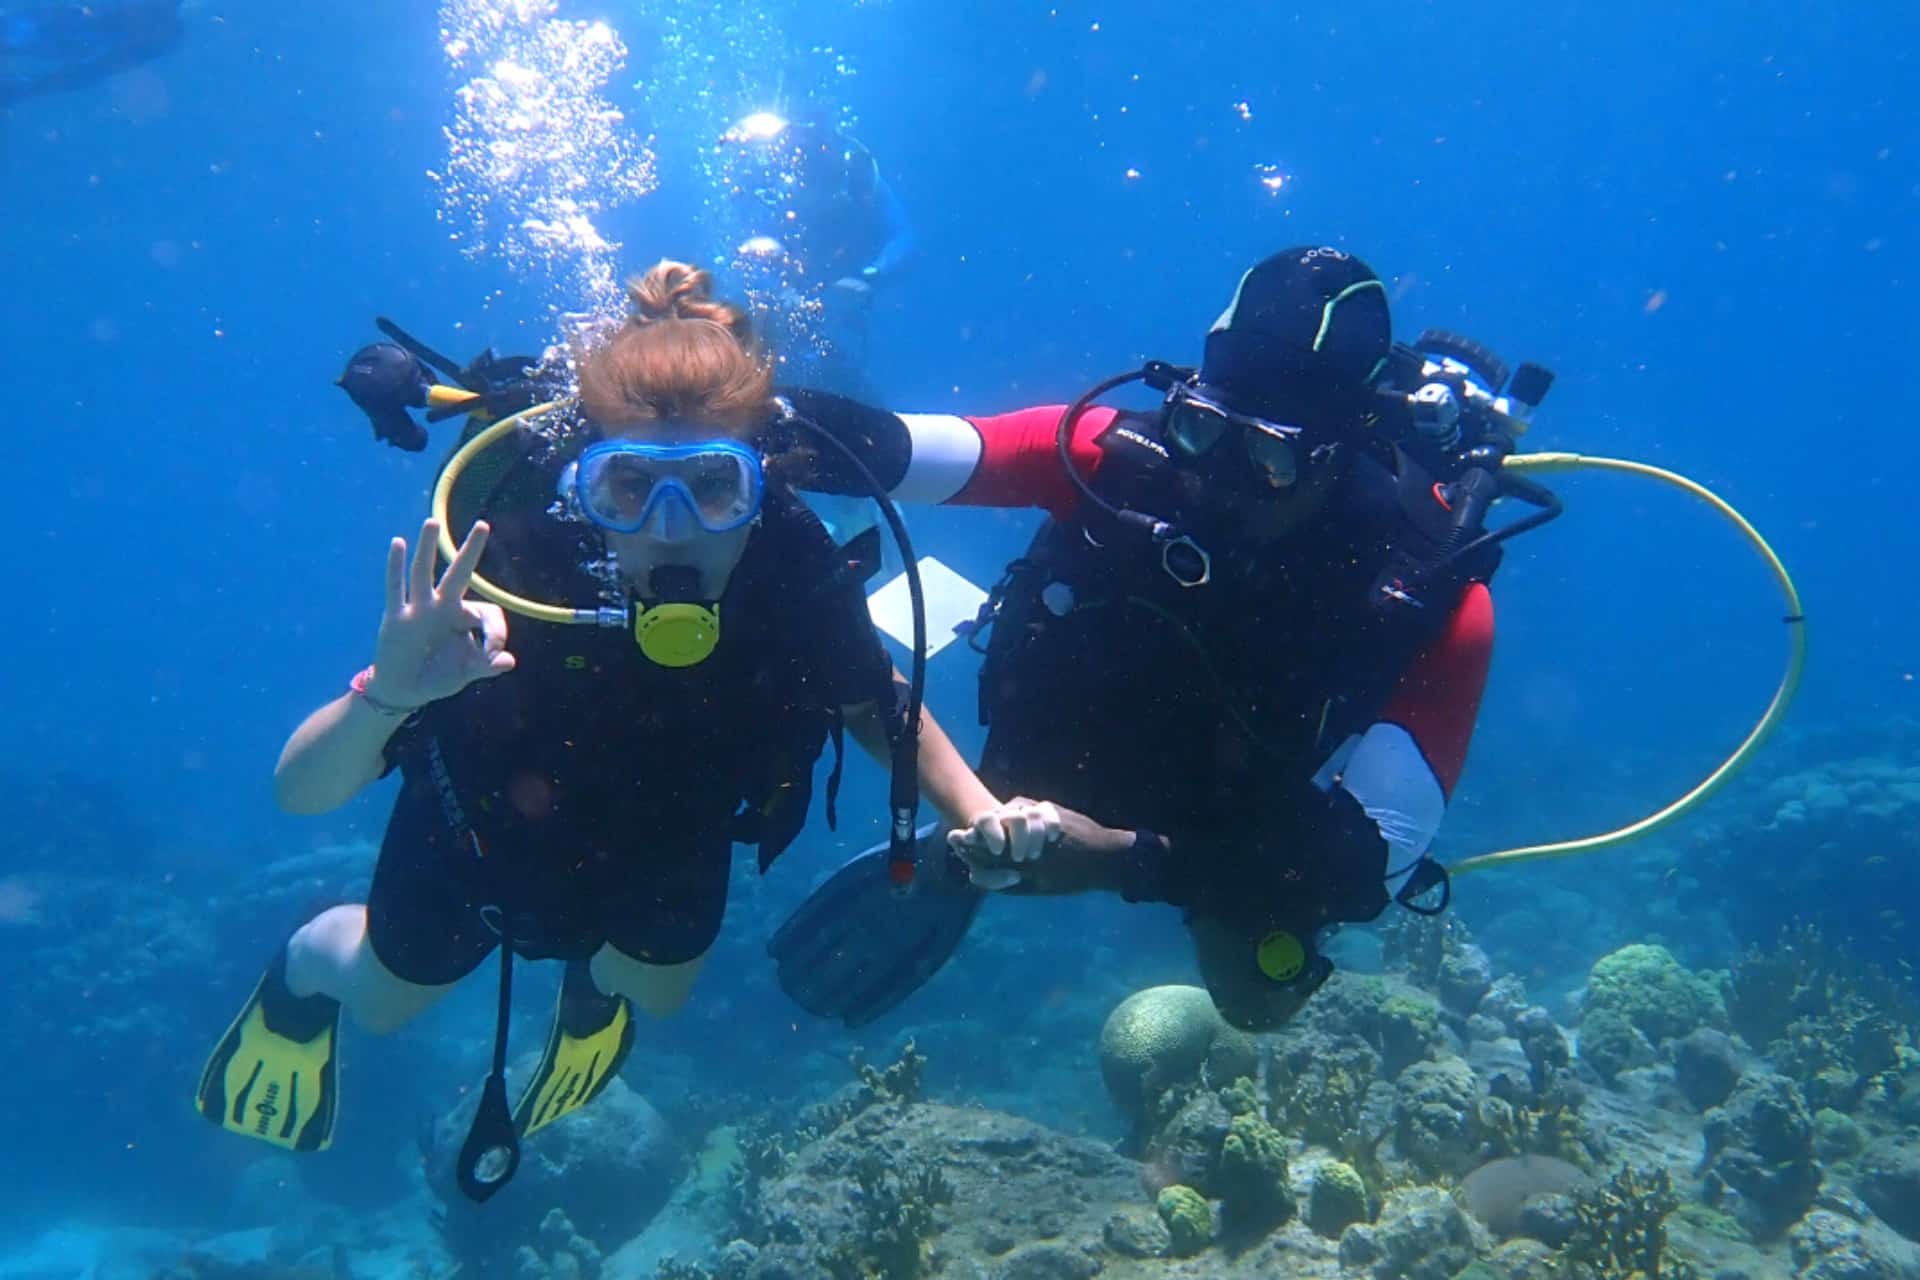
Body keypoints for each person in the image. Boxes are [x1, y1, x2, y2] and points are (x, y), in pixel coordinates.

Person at [196, 261, 1051, 1160]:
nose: (671, 526)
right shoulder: (511, 564)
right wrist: (391, 696)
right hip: (481, 831)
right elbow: (299, 791)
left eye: (715, 487)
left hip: (667, 828)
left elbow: (878, 705)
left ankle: (591, 988)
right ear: (581, 487)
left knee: (661, 992)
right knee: (382, 1003)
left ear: (760, 482)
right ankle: (301, 974)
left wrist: (982, 811)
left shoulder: (788, 559)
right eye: (629, 488)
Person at [769, 247, 1531, 1031]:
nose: (1219, 475)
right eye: (1204, 429)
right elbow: (888, 449)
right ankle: (971, 841)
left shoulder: (1430, 593)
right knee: (1014, 845)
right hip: (1068, 741)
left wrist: (1118, 860)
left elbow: (1369, 865)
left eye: (1270, 453)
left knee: (1254, 999)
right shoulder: (1119, 452)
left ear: (1340, 458)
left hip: (1241, 811)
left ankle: (1028, 849)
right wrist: (724, 423)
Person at [715, 111, 916, 397]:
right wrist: (779, 291)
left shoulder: (861, 182)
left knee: (840, 378)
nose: (821, 203)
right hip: (784, 304)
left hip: (840, 303)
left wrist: (870, 275)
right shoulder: (774, 192)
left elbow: (903, 237)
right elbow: (747, 255)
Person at [0, 0, 183, 106]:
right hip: (60, 31)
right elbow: (99, 69)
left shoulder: (166, 32)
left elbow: (101, 69)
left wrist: (31, 88)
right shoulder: (166, 32)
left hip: (62, 34)